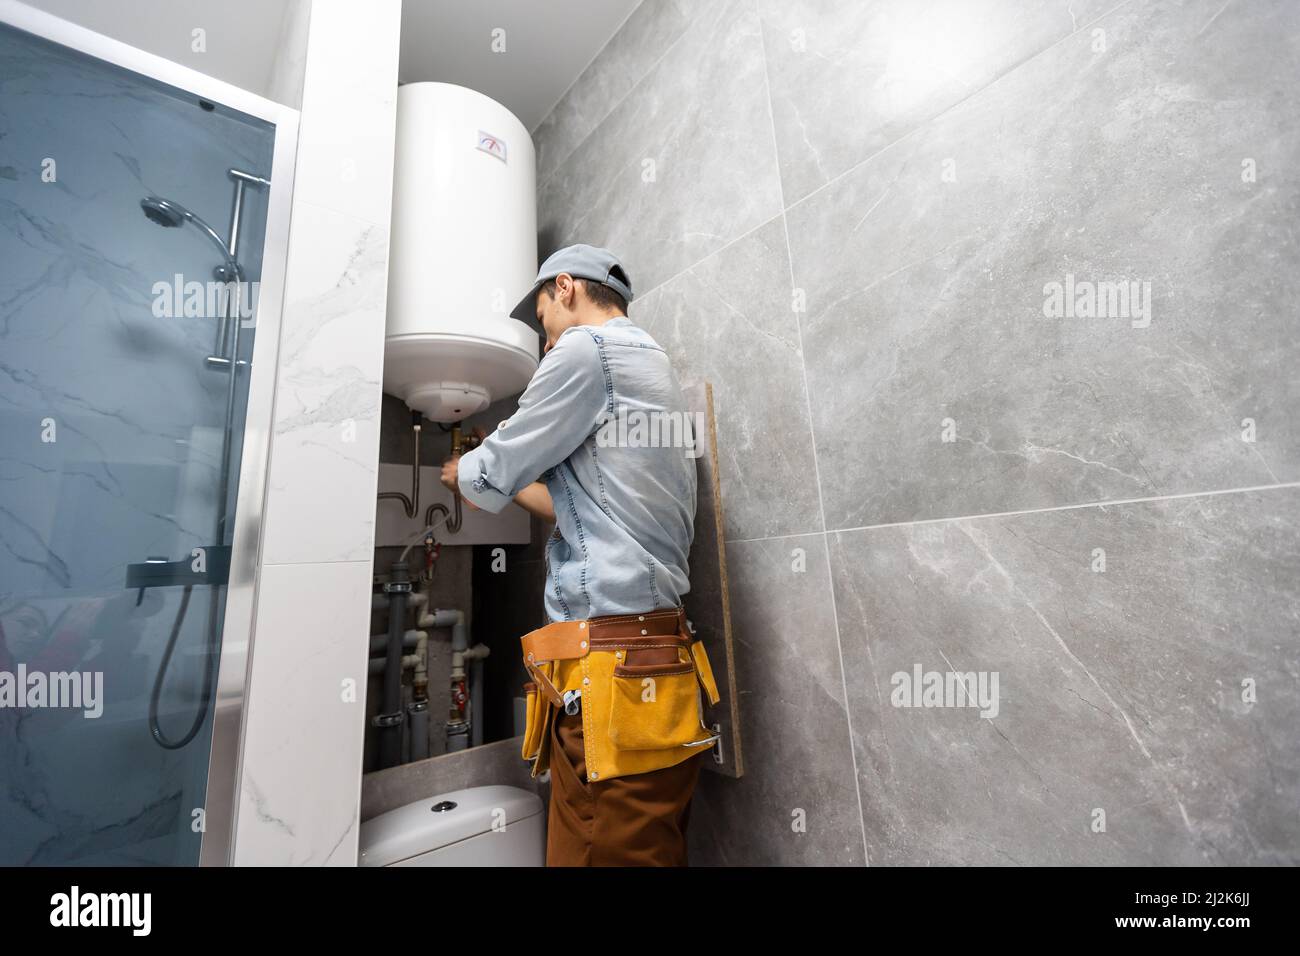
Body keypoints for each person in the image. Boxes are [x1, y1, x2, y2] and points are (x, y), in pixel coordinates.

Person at [440, 244, 709, 866]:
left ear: (566, 288)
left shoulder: (587, 350)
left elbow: (490, 476)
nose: (544, 340)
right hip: (655, 664)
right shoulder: (652, 366)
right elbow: (587, 509)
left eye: (543, 320)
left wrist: (467, 470)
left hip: (610, 672)